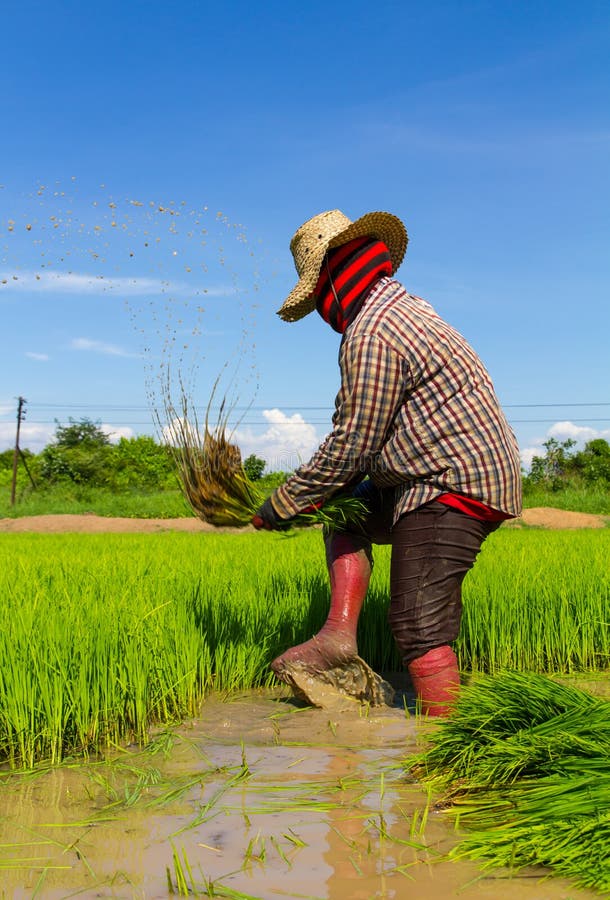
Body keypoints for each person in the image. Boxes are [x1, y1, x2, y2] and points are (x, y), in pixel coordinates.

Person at [251, 209, 522, 716]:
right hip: (437, 472)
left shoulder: (372, 332)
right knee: (345, 510)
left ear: (333, 276)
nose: (324, 314)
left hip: (449, 481)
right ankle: (338, 635)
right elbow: (355, 426)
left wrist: (281, 504)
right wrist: (318, 496)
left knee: (418, 622)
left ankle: (447, 749)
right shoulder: (403, 309)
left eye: (319, 299)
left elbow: (352, 442)